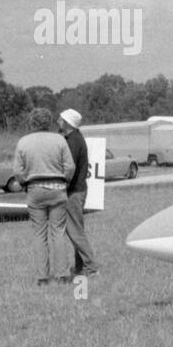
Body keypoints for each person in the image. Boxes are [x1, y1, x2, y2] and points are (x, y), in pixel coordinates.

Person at [13, 108, 75, 286]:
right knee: (58, 232)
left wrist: (25, 183)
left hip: (34, 190)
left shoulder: (23, 142)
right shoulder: (60, 140)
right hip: (58, 189)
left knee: (39, 234)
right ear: (49, 122)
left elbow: (17, 171)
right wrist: (65, 181)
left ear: (32, 123)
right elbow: (69, 167)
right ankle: (62, 275)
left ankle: (42, 277)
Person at [58, 109, 98, 277]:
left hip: (73, 191)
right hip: (78, 190)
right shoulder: (74, 138)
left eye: (60, 118)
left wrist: (62, 186)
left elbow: (70, 168)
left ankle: (91, 267)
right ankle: (81, 267)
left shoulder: (72, 141)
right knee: (77, 229)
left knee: (74, 231)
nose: (58, 120)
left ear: (67, 122)